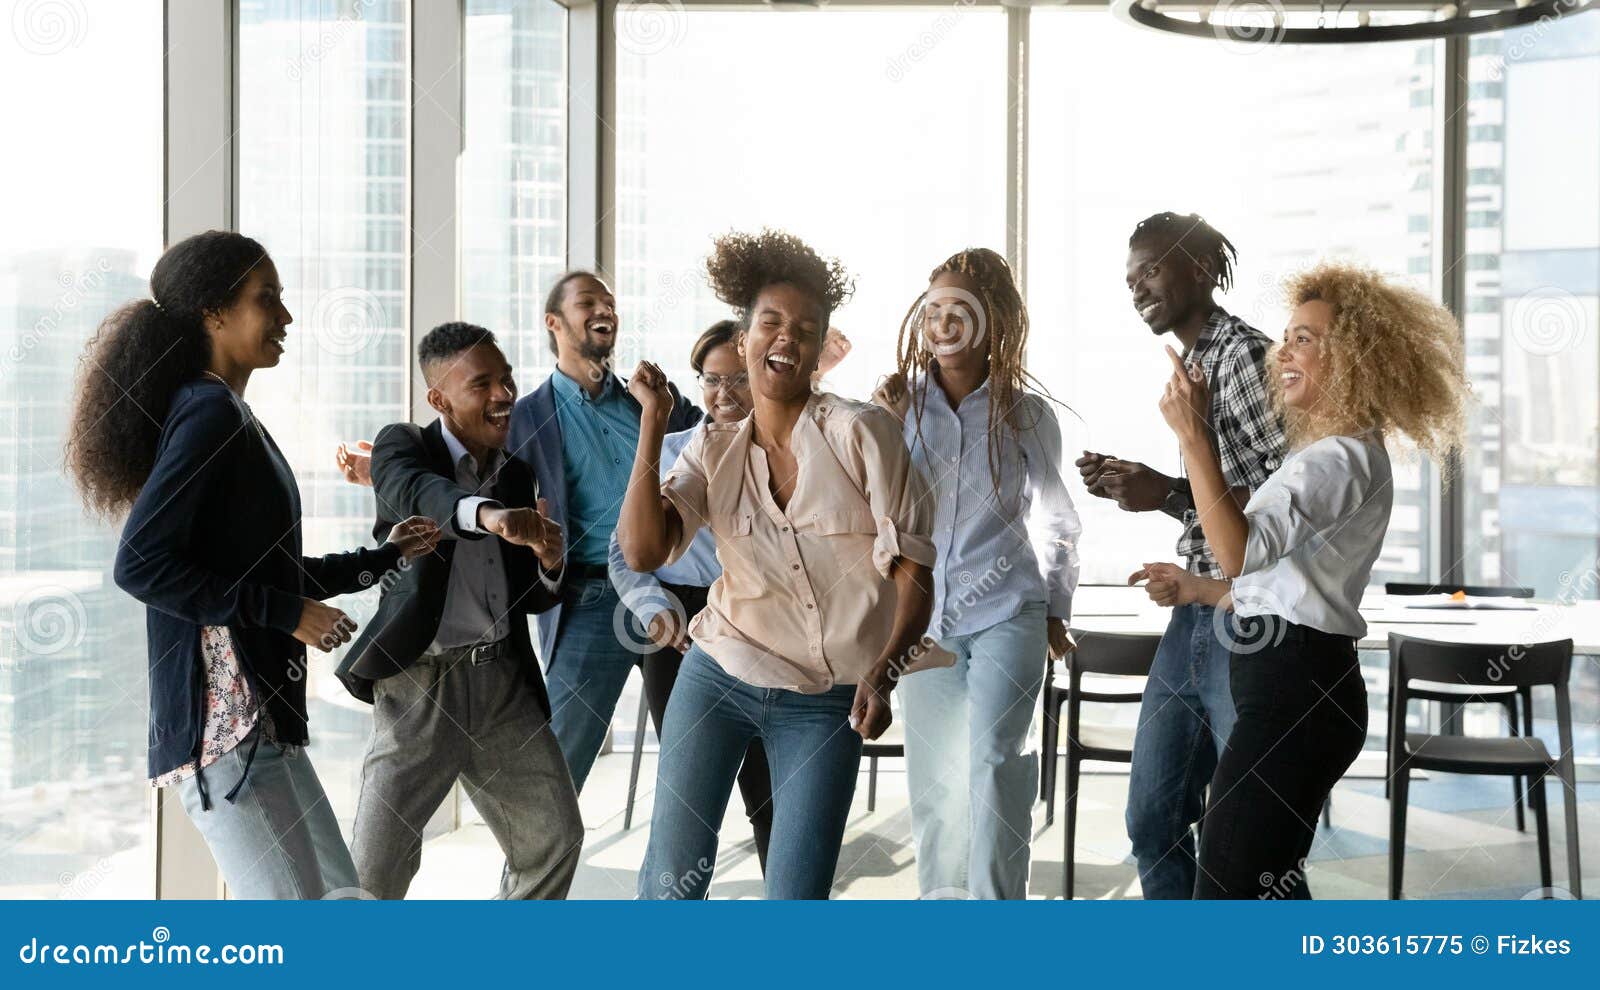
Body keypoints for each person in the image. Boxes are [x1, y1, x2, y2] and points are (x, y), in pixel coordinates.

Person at [66, 230, 440, 899]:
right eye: (267, 299)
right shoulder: (209, 414)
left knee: (343, 903)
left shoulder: (228, 413)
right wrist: (285, 612)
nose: (286, 317)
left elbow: (266, 568)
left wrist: (382, 558)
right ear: (214, 312)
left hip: (261, 724)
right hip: (224, 734)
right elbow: (142, 565)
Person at [618, 229, 942, 899]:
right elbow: (645, 550)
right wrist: (652, 423)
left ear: (822, 348)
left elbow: (914, 573)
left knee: (797, 894)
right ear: (745, 340)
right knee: (671, 885)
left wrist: (882, 675)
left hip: (823, 703)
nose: (786, 337)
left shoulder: (864, 434)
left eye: (805, 328)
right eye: (771, 322)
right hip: (719, 674)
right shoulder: (711, 451)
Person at [1146, 261, 1467, 898]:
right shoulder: (1331, 453)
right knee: (1269, 883)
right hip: (1299, 685)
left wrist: (1194, 437)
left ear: (1352, 360)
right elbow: (1279, 581)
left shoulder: (1338, 457)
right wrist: (1200, 589)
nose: (1282, 351)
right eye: (1287, 335)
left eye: (1304, 339)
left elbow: (1238, 553)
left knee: (1229, 885)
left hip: (1297, 691)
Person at [1076, 212, 1286, 899]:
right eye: (1130, 279)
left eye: (1151, 270)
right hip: (1193, 618)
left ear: (1198, 268)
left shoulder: (1246, 357)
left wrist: (1171, 484)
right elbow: (1225, 499)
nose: (1138, 287)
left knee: (1250, 840)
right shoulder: (1195, 363)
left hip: (1242, 617)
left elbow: (1288, 499)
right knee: (1153, 818)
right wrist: (1159, 490)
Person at [336, 322, 584, 900]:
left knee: (554, 838)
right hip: (421, 689)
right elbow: (422, 494)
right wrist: (490, 516)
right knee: (375, 873)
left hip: (503, 686)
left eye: (507, 380)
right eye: (483, 384)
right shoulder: (403, 447)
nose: (504, 395)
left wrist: (550, 560)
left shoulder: (517, 473)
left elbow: (531, 595)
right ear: (440, 399)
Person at [873, 248, 1081, 899]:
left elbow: (1058, 521)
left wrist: (1054, 612)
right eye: (933, 310)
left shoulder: (1028, 417)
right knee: (937, 785)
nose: (942, 323)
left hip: (1009, 615)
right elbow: (868, 513)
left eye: (959, 310)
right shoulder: (896, 409)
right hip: (921, 622)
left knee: (994, 767)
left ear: (995, 321)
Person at [606, 320, 775, 872]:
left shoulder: (785, 454)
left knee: (767, 789)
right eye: (710, 379)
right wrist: (657, 614)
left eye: (738, 380)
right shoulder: (674, 448)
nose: (724, 394)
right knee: (687, 790)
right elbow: (626, 553)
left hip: (758, 622)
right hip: (677, 620)